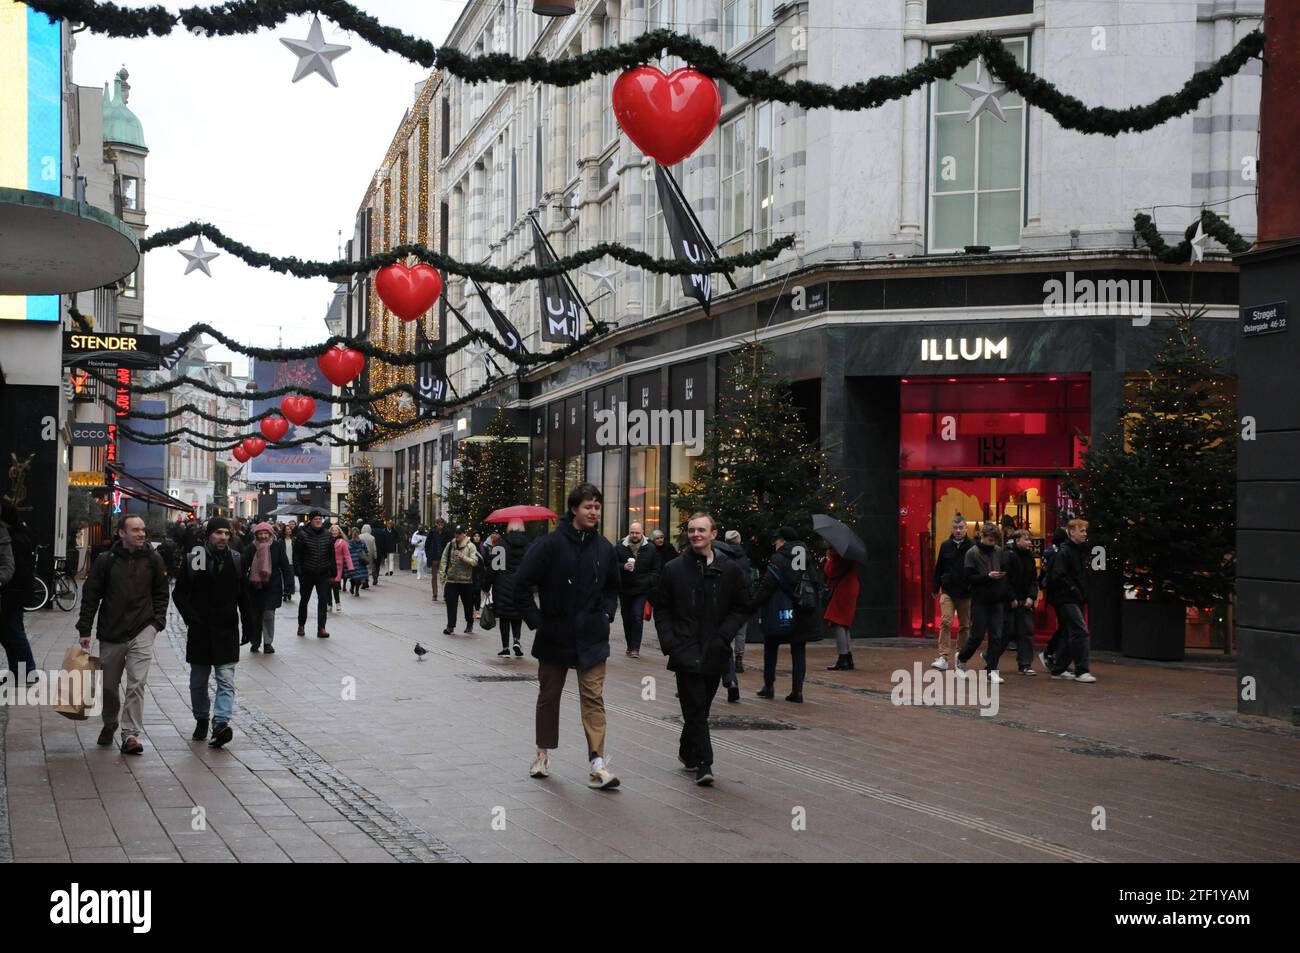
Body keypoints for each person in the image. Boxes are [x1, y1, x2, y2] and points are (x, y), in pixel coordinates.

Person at [509, 484, 622, 790]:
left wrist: (607, 613)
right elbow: (521, 585)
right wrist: (537, 622)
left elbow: (613, 586)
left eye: (597, 507)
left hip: (592, 636)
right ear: (574, 509)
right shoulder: (549, 545)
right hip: (555, 635)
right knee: (549, 697)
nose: (594, 512)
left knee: (594, 698)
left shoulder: (604, 548)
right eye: (588, 506)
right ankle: (542, 754)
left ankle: (597, 763)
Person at [654, 512, 750, 785]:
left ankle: (687, 750)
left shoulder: (728, 569)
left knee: (701, 708)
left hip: (714, 649)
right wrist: (670, 642)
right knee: (694, 706)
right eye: (692, 530)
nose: (696, 534)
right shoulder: (673, 569)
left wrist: (724, 636)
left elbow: (741, 606)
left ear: (713, 534)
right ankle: (705, 764)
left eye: (701, 530)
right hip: (684, 649)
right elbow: (662, 608)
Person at [76, 514, 169, 755]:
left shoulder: (153, 559)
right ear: (122, 533)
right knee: (109, 686)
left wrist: (156, 623)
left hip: (142, 629)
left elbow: (161, 592)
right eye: (136, 530)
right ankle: (110, 722)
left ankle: (130, 735)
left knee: (136, 683)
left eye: (143, 530)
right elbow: (91, 595)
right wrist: (85, 628)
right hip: (111, 631)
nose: (141, 534)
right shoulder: (106, 561)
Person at [173, 517, 254, 748]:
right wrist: (192, 618)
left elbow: (243, 596)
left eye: (227, 534)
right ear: (209, 535)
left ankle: (220, 723)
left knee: (226, 680)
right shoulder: (197, 558)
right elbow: (180, 593)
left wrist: (249, 625)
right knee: (198, 681)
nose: (224, 537)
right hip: (201, 628)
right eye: (219, 533)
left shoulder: (236, 559)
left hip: (227, 628)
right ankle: (201, 718)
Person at [751, 526, 821, 703]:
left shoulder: (779, 557)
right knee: (798, 650)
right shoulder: (806, 556)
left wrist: (753, 604)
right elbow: (815, 582)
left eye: (776, 540)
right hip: (803, 610)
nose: (775, 544)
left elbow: (768, 585)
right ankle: (797, 691)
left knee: (771, 645)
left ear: (782, 540)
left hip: (780, 610)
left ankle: (769, 686)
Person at [955, 524, 1010, 683]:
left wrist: (1001, 580)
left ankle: (992, 669)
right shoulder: (972, 553)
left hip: (996, 599)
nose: (992, 543)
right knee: (977, 636)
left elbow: (1005, 570)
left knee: (996, 636)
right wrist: (987, 576)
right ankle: (962, 658)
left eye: (995, 541)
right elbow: (968, 577)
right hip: (980, 599)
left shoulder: (999, 551)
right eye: (990, 540)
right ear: (983, 536)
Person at [1046, 518, 1096, 683]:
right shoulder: (1066, 552)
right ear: (1072, 531)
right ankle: (1082, 670)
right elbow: (1058, 576)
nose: (1084, 534)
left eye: (1084, 531)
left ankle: (1059, 669)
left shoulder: (1077, 551)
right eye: (1081, 531)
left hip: (1073, 597)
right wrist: (1073, 590)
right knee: (1080, 631)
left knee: (1070, 632)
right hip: (1067, 598)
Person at [712, 529, 754, 702]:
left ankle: (727, 680)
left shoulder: (718, 556)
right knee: (730, 641)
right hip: (737, 606)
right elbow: (746, 583)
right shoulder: (743, 558)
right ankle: (733, 674)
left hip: (718, 608)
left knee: (714, 644)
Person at [0, 503, 39, 687]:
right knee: (9, 633)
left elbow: (14, 568)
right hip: (16, 592)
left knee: (13, 632)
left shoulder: (15, 538)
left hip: (12, 592)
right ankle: (19, 672)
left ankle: (27, 672)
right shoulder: (21, 532)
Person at [930, 514, 974, 671]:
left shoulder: (972, 546)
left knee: (964, 625)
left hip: (965, 592)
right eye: (955, 528)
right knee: (946, 621)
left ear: (966, 528)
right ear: (952, 528)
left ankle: (960, 655)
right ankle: (943, 656)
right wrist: (935, 587)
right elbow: (939, 567)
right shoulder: (945, 546)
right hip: (948, 590)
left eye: (961, 527)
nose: (958, 531)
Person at [614, 521, 661, 659]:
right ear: (629, 532)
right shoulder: (620, 547)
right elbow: (612, 565)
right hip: (625, 589)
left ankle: (635, 648)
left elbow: (656, 570)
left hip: (641, 590)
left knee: (636, 616)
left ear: (642, 533)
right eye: (632, 532)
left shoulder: (651, 548)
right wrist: (623, 567)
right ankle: (629, 646)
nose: (634, 535)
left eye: (637, 532)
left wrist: (648, 582)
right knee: (626, 618)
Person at [242, 522, 287, 654]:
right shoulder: (251, 547)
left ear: (270, 534)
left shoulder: (277, 546)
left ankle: (268, 643)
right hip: (255, 587)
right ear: (256, 535)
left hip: (273, 586)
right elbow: (243, 565)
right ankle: (255, 641)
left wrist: (289, 585)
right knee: (255, 615)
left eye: (265, 533)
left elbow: (284, 564)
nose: (263, 536)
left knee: (268, 614)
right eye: (260, 534)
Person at [488, 520, 529, 658]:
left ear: (508, 531)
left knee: (504, 617)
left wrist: (486, 585)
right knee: (517, 616)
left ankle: (505, 648)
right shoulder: (527, 546)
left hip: (502, 586)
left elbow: (493, 568)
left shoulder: (500, 546)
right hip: (520, 586)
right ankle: (516, 640)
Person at [293, 511, 336, 638]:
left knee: (323, 600)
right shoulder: (303, 535)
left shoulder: (327, 535)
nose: (318, 521)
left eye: (320, 518)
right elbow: (296, 555)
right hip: (307, 573)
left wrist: (333, 573)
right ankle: (301, 625)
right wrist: (299, 572)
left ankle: (321, 628)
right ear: (310, 521)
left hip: (323, 573)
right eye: (316, 519)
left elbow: (331, 555)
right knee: (304, 600)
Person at [1004, 529, 1040, 676]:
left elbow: (1033, 579)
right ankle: (990, 656)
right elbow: (1006, 579)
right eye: (1026, 540)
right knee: (1006, 632)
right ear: (1017, 540)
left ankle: (1025, 664)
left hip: (1025, 601)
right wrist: (1011, 598)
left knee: (1026, 631)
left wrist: (1031, 596)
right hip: (1011, 601)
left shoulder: (1030, 557)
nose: (1030, 543)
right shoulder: (1008, 555)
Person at [823, 549, 861, 671]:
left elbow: (831, 571)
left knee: (837, 622)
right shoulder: (849, 553)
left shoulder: (838, 554)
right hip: (850, 587)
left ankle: (843, 657)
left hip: (843, 590)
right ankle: (847, 657)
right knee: (843, 623)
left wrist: (828, 560)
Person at [439, 525, 480, 634]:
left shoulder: (470, 546)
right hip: (452, 580)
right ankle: (450, 626)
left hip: (466, 581)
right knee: (451, 603)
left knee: (468, 604)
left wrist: (462, 556)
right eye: (455, 533)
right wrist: (442, 575)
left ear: (463, 534)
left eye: (458, 534)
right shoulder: (450, 545)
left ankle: (469, 622)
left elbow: (474, 561)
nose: (456, 536)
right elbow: (444, 559)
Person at [1038, 526, 1069, 671]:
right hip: (1059, 595)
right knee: (1065, 626)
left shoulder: (1050, 552)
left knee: (1065, 626)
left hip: (1055, 594)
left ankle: (1053, 654)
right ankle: (1050, 652)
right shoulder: (1059, 553)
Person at [329, 524, 352, 613]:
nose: (334, 532)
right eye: (333, 531)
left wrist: (350, 567)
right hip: (327, 566)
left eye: (336, 531)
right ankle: (329, 603)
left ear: (339, 532)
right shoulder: (327, 540)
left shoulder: (342, 542)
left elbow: (347, 555)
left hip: (337, 567)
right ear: (330, 532)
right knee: (327, 586)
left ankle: (338, 603)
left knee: (335, 585)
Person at [424, 518, 446, 603]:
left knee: (443, 576)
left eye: (442, 524)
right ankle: (435, 594)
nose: (441, 525)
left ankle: (445, 594)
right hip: (434, 557)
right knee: (434, 577)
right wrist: (428, 555)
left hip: (443, 558)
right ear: (436, 524)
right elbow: (427, 545)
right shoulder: (432, 533)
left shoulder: (445, 533)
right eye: (439, 523)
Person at [347, 528, 368, 596]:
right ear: (359, 533)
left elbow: (348, 552)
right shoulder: (362, 542)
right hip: (361, 561)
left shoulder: (350, 542)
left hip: (353, 561)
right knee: (359, 577)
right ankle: (357, 591)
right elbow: (366, 550)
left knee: (353, 576)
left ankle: (352, 588)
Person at [281, 520, 296, 603]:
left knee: (291, 578)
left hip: (292, 562)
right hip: (284, 562)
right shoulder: (281, 541)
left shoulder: (294, 540)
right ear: (284, 531)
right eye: (287, 529)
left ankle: (289, 592)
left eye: (290, 529)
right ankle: (285, 592)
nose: (289, 530)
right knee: (284, 578)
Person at [360, 523, 378, 588]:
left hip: (362, 554)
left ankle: (365, 581)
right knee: (371, 567)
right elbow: (374, 547)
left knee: (363, 568)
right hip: (370, 554)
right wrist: (375, 555)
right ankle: (374, 578)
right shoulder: (372, 537)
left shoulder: (360, 536)